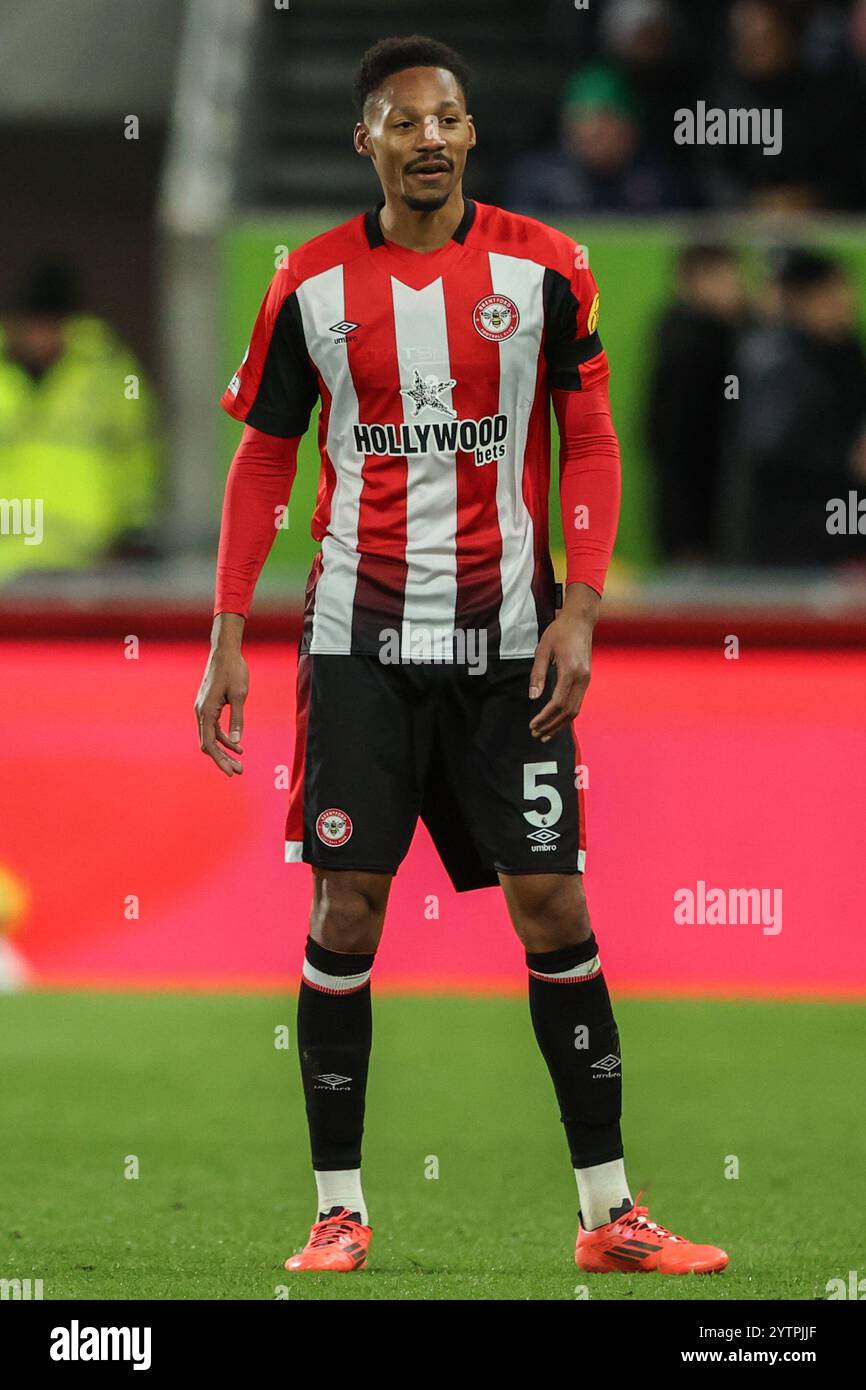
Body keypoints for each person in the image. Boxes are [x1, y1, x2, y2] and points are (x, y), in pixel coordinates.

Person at [195, 34, 728, 1277]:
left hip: (506, 643)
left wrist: (580, 607)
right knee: (346, 901)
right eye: (402, 121)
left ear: (471, 134)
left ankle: (608, 1218)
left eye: (446, 118)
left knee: (555, 906)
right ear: (365, 141)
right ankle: (338, 1209)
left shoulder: (548, 269)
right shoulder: (309, 284)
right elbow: (265, 458)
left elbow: (586, 442)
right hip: (357, 641)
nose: (426, 138)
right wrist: (227, 634)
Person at [0, 258, 161, 582]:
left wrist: (132, 531)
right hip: (8, 561)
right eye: (30, 324)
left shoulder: (106, 369)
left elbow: (137, 453)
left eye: (49, 324)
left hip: (89, 562)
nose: (38, 336)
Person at [720, 249, 866, 566]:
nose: (844, 301)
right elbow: (768, 446)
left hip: (841, 524)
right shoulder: (772, 360)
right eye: (830, 292)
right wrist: (846, 458)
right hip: (788, 536)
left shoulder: (844, 352)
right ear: (800, 301)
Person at [647, 244, 747, 563]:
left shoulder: (717, 335)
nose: (736, 289)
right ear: (693, 282)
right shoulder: (691, 348)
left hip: (708, 512)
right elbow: (677, 443)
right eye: (723, 279)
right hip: (696, 516)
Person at [506, 62, 698, 214]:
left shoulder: (660, 182)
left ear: (631, 126)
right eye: (579, 118)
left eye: (605, 118)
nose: (591, 131)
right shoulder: (537, 182)